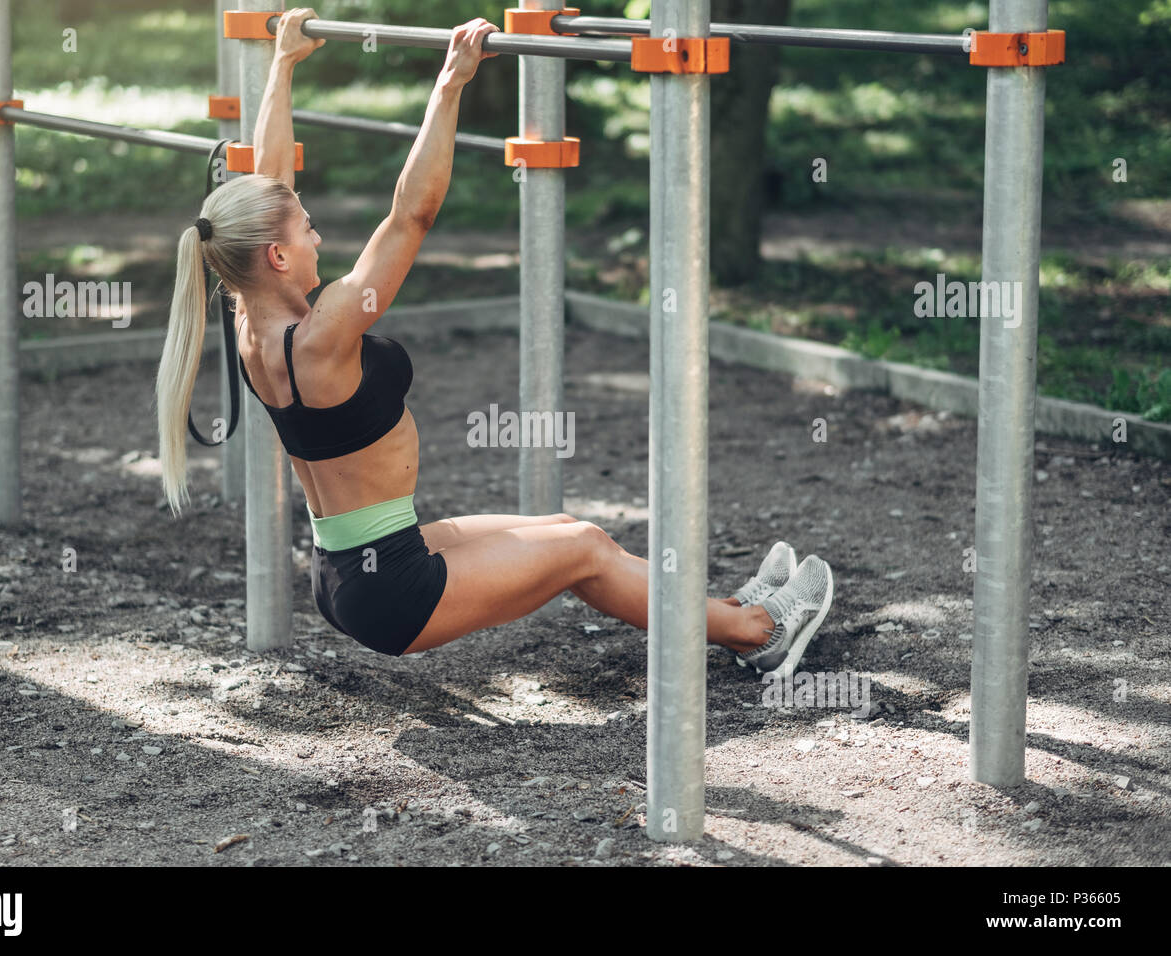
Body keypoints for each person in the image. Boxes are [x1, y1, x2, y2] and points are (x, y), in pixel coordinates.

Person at [155, 8, 834, 678]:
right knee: (585, 554)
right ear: (276, 256)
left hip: (346, 566)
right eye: (308, 230)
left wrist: (282, 65)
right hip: (393, 591)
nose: (319, 236)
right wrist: (451, 83)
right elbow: (410, 216)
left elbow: (270, 187)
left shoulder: (247, 313)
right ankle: (759, 632)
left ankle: (724, 610)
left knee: (577, 532)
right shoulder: (324, 332)